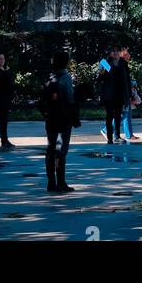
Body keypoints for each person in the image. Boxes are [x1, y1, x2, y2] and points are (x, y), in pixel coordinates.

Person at [41, 50, 77, 194]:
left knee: (51, 148)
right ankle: (61, 182)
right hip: (63, 117)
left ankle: (51, 182)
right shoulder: (66, 77)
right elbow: (70, 98)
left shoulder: (51, 76)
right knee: (61, 150)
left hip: (50, 117)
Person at [98, 45, 130, 145]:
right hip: (109, 94)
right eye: (113, 51)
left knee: (118, 115)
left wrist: (129, 93)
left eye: (117, 51)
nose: (116, 53)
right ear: (110, 52)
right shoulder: (105, 62)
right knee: (109, 116)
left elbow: (127, 78)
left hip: (120, 93)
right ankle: (109, 137)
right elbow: (100, 79)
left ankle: (117, 136)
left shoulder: (123, 63)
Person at [119, 46, 141, 142]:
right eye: (127, 53)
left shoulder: (123, 63)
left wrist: (131, 83)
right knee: (124, 114)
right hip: (122, 93)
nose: (129, 55)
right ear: (122, 54)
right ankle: (106, 130)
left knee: (126, 114)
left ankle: (129, 134)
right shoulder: (119, 63)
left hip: (125, 92)